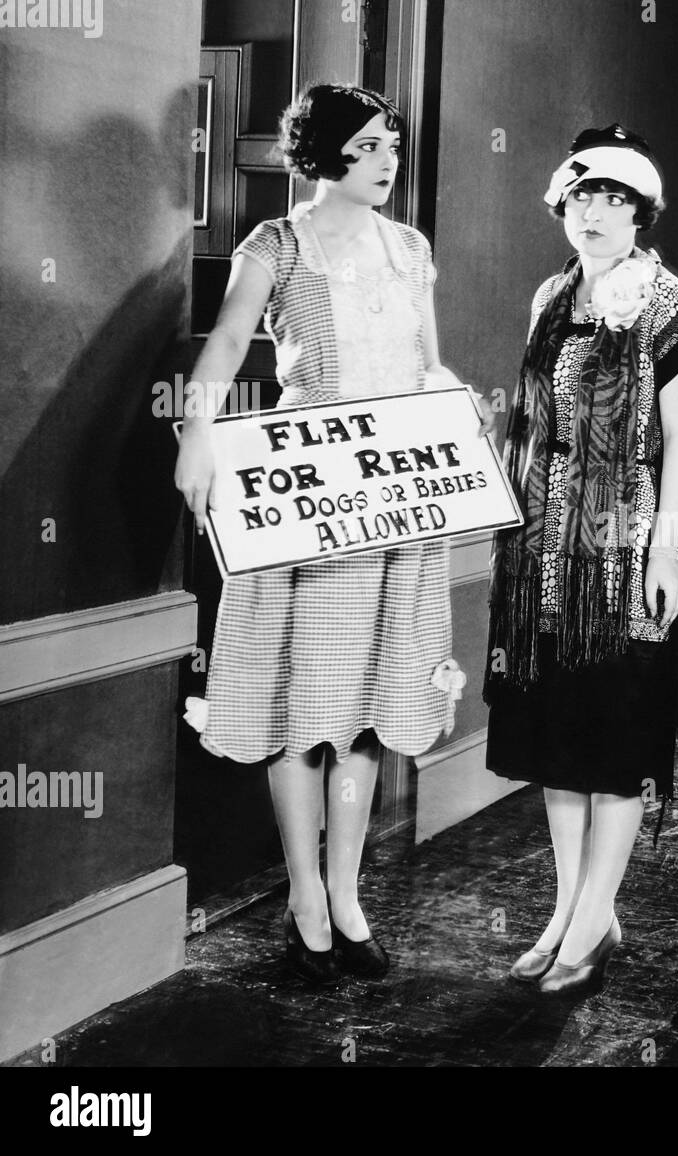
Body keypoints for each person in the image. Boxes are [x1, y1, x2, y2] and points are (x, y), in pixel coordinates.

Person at [175, 84, 471, 985]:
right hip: (309, 497)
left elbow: (427, 364)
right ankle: (304, 896)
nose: (389, 161)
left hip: (395, 499)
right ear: (328, 152)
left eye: (393, 146)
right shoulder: (277, 243)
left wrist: (460, 429)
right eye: (373, 145)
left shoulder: (410, 249)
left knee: (367, 715)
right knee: (303, 709)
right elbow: (227, 345)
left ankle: (348, 894)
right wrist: (196, 433)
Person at [484, 125, 678, 997]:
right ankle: (577, 911)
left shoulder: (664, 300)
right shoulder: (549, 297)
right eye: (580, 197)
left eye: (614, 199)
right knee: (558, 738)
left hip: (619, 545)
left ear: (641, 211)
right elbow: (533, 424)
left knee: (614, 741)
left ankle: (591, 919)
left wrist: (668, 548)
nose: (595, 213)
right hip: (542, 546)